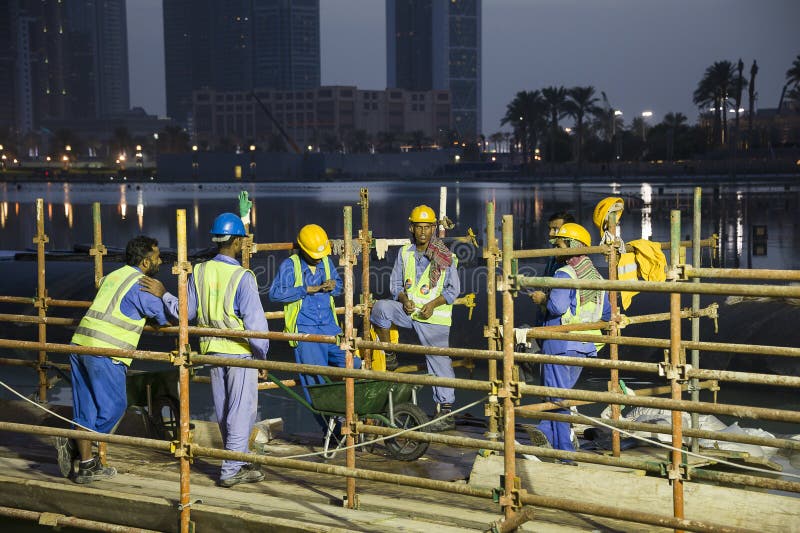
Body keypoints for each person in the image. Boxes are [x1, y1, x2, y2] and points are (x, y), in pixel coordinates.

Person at [142, 210, 270, 488]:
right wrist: (262, 359)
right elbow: (257, 327)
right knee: (241, 411)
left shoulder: (199, 271)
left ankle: (240, 460)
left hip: (212, 352)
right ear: (236, 242)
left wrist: (164, 293)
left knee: (225, 411)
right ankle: (231, 469)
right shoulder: (243, 277)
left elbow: (185, 312)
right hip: (239, 353)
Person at [56, 236, 171, 484]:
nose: (160, 260)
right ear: (145, 261)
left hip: (79, 345)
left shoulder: (114, 276)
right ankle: (72, 442)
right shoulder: (143, 284)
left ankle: (87, 466)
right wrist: (163, 294)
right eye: (157, 256)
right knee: (115, 407)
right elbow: (166, 319)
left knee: (85, 408)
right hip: (104, 351)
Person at [370, 205, 460, 432]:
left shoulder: (445, 256)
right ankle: (389, 353)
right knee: (380, 308)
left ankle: (446, 411)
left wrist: (432, 305)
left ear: (433, 229)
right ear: (411, 228)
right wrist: (403, 300)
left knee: (439, 361)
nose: (423, 232)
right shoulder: (405, 253)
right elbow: (395, 286)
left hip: (433, 317)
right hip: (410, 312)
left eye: (427, 227)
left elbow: (452, 290)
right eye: (418, 227)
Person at [528, 223, 611, 452]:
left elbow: (557, 306)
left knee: (559, 399)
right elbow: (607, 314)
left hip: (560, 344)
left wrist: (541, 299)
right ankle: (547, 433)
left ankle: (565, 452)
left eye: (561, 243)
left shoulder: (564, 273)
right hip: (585, 347)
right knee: (557, 395)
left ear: (572, 246)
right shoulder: (597, 277)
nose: (556, 247)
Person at [268, 224, 361, 405]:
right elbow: (275, 293)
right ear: (303, 250)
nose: (319, 259)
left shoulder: (325, 262)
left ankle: (345, 413)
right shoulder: (290, 265)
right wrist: (306, 289)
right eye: (315, 256)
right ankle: (330, 426)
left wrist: (334, 285)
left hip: (330, 327)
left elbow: (339, 286)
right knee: (316, 382)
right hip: (305, 330)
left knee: (354, 364)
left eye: (321, 255)